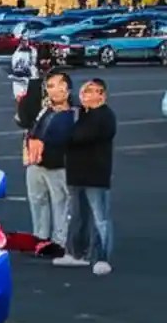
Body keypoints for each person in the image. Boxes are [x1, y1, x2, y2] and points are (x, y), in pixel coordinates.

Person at [55, 79, 116, 274]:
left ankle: (101, 257)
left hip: (95, 175)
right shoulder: (80, 115)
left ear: (102, 94)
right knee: (78, 217)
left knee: (100, 218)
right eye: (83, 92)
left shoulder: (105, 116)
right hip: (76, 173)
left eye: (90, 91)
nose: (85, 95)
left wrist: (67, 133)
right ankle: (76, 254)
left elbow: (80, 137)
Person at [22, 71, 78, 248]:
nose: (53, 91)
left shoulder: (74, 114)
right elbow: (25, 119)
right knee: (37, 201)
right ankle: (40, 236)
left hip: (59, 167)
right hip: (36, 164)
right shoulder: (45, 110)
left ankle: (60, 242)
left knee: (60, 204)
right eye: (50, 86)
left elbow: (67, 138)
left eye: (58, 86)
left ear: (68, 90)